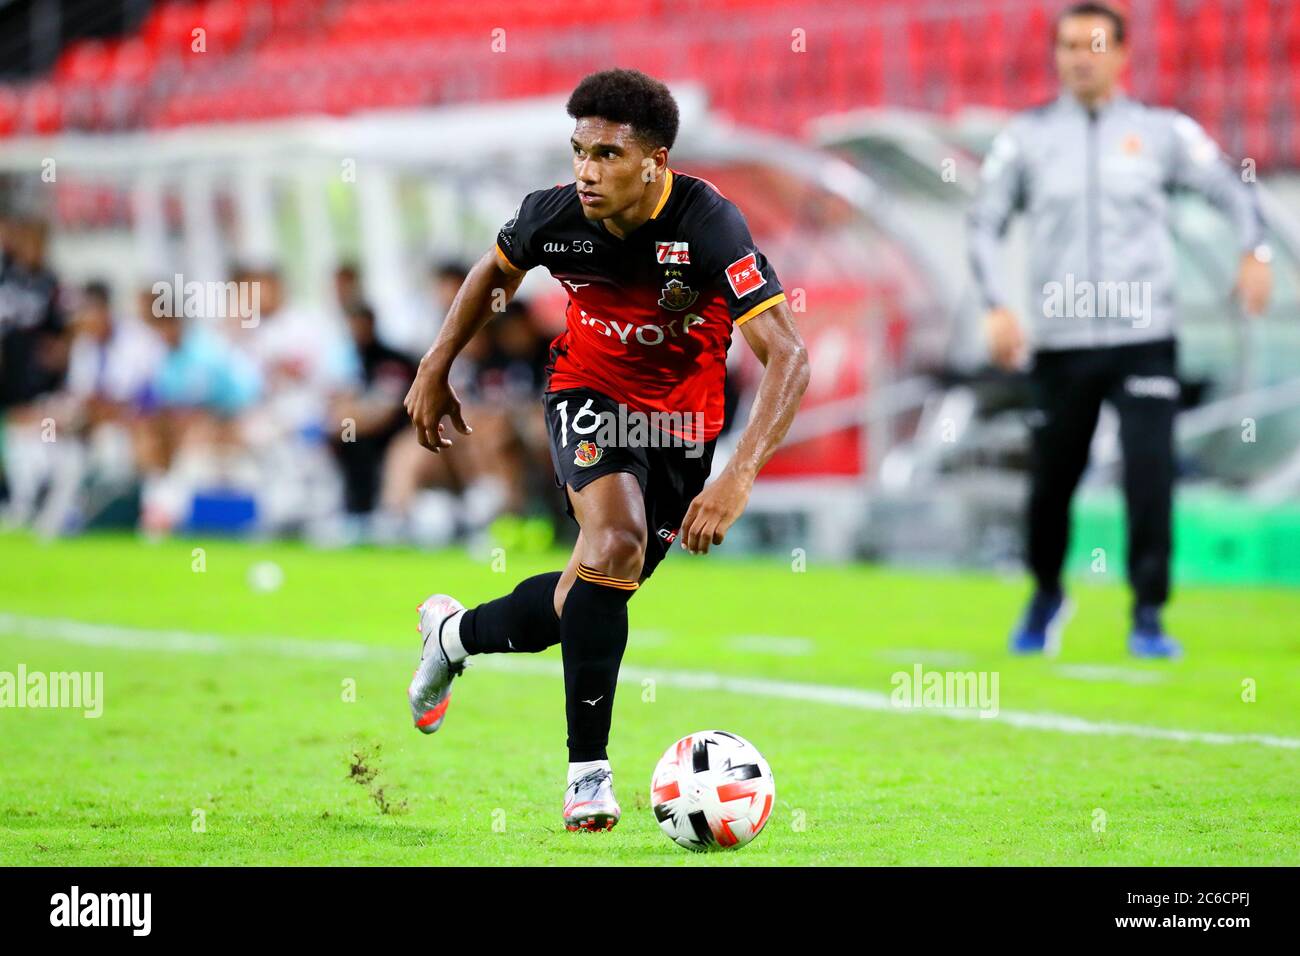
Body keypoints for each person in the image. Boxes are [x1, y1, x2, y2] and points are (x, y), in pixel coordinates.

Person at [401, 68, 808, 832]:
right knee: (613, 540)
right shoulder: (552, 216)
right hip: (588, 393)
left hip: (685, 432)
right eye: (578, 150)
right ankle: (587, 776)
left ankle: (452, 635)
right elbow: (495, 273)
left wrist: (735, 476)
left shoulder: (711, 226)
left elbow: (789, 356)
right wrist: (436, 362)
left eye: (609, 155)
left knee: (580, 599)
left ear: (656, 162)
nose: (586, 171)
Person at [967, 2, 1272, 659]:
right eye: (1069, 45)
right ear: (1057, 56)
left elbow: (1233, 189)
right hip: (1060, 343)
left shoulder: (1163, 134)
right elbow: (983, 223)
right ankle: (1047, 591)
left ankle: (1149, 614)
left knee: (1150, 475)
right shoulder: (1026, 139)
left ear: (1121, 54)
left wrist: (1256, 253)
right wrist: (996, 303)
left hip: (1144, 336)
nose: (1081, 56)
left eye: (1095, 44)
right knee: (1051, 481)